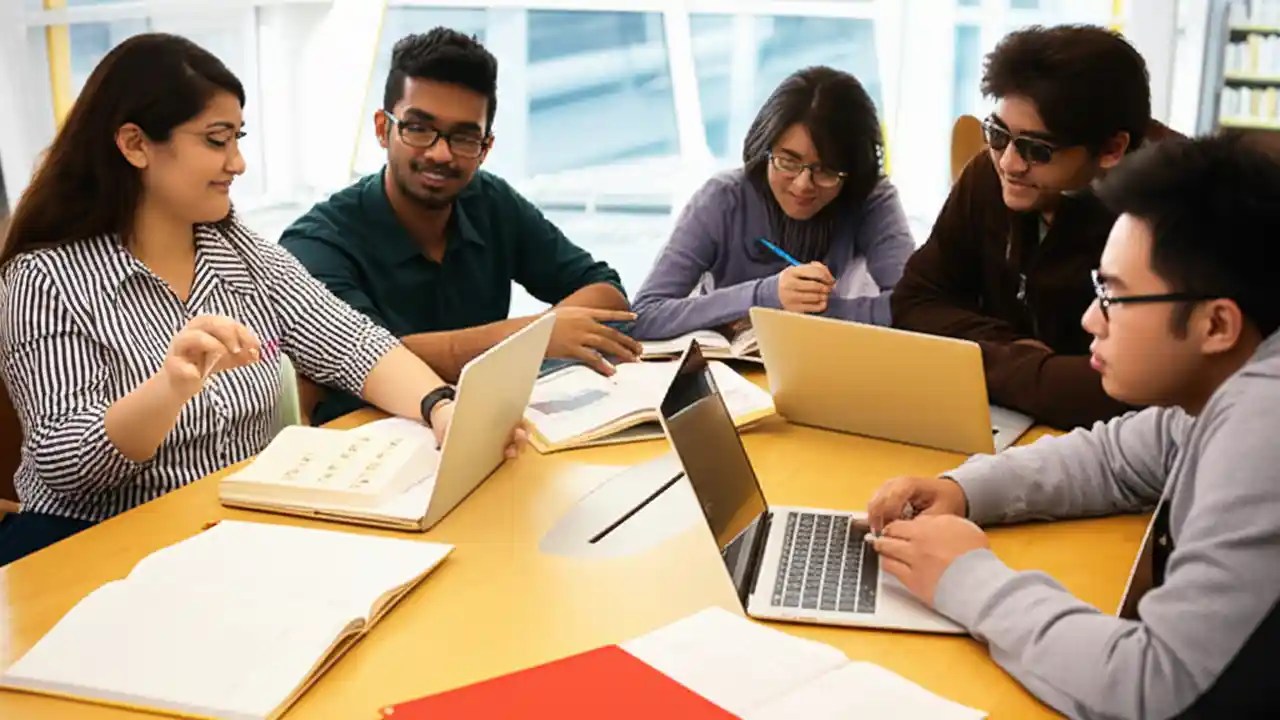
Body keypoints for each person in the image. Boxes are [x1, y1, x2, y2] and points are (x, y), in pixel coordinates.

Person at [0, 34, 522, 566]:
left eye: (238, 138)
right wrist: (170, 388)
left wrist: (441, 408)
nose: (238, 163)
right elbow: (66, 465)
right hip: (95, 552)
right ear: (136, 145)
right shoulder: (42, 279)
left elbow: (351, 342)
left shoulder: (233, 245)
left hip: (233, 537)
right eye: (216, 140)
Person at [865, 136, 1280, 719]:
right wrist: (964, 490)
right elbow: (1115, 458)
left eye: (1112, 296)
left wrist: (966, 579)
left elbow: (1149, 688)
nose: (1090, 319)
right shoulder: (1227, 387)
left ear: (1216, 324)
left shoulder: (1265, 431)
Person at [281, 28, 640, 425]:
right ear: (383, 129)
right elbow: (366, 357)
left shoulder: (488, 200)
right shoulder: (315, 243)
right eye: (418, 129)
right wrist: (534, 339)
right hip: (374, 447)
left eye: (465, 138)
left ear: (485, 148)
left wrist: (536, 338)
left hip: (489, 433)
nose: (440, 153)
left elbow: (606, 293)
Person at [891, 25, 1178, 429]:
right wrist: (1018, 356)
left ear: (1112, 148)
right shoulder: (987, 177)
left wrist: (985, 362)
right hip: (1012, 423)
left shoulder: (1168, 214)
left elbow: (1131, 390)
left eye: (1036, 149)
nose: (1008, 162)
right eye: (997, 134)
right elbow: (914, 302)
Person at [631, 66, 913, 340]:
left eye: (826, 170)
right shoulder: (722, 198)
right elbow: (644, 315)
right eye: (787, 161)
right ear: (763, 148)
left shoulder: (871, 200)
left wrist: (818, 310)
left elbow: (916, 307)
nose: (802, 185)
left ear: (853, 173)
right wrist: (766, 295)